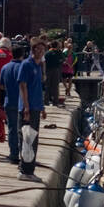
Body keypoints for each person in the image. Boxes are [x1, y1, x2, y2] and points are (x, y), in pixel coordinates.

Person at [18, 39, 47, 179]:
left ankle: (27, 169)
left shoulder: (38, 65)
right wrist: (26, 108)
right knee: (27, 139)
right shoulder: (26, 65)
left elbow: (38, 89)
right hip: (28, 107)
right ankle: (26, 171)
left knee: (32, 139)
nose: (41, 52)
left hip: (36, 107)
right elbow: (23, 86)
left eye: (43, 50)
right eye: (38, 49)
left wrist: (42, 108)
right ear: (33, 50)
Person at [44, 40, 64, 106]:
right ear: (57, 45)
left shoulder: (47, 53)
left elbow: (44, 61)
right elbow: (61, 60)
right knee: (55, 86)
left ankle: (46, 101)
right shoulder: (58, 52)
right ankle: (55, 102)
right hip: (55, 70)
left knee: (47, 86)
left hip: (47, 70)